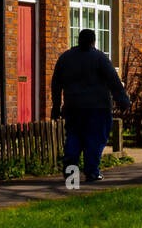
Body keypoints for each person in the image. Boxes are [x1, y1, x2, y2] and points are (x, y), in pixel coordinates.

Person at [50, 28, 130, 181]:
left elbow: (56, 84)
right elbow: (113, 81)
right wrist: (123, 102)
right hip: (97, 108)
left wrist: (56, 106)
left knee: (74, 137)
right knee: (95, 140)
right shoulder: (99, 58)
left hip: (73, 107)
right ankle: (92, 172)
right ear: (93, 41)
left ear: (78, 40)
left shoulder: (65, 58)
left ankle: (70, 172)